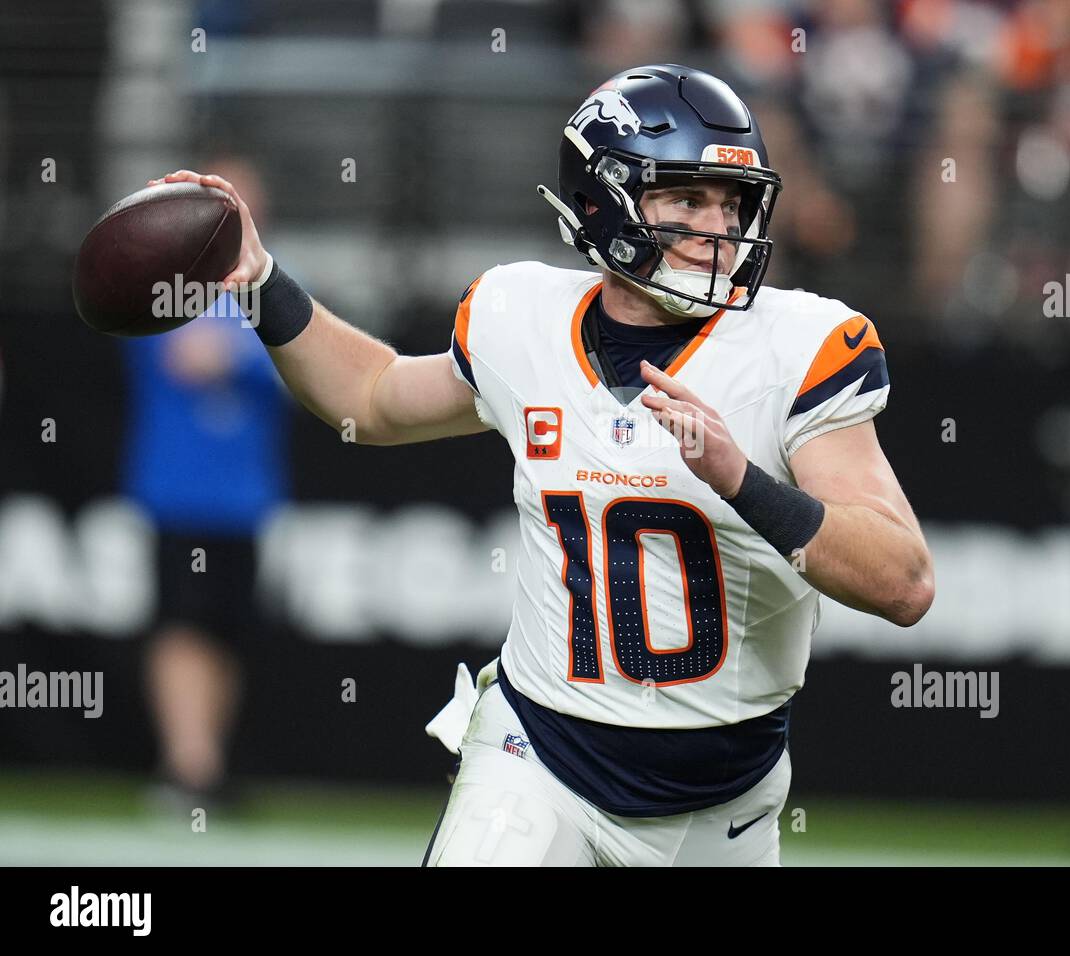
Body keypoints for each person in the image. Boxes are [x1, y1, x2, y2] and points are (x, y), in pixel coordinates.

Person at [149, 63, 934, 866]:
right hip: (541, 760)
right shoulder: (522, 316)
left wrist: (742, 481)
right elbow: (373, 398)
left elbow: (903, 583)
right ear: (603, 201)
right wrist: (262, 282)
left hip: (723, 803)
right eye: (688, 200)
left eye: (732, 204)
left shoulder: (797, 346)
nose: (719, 228)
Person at [122, 158, 287, 810]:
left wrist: (236, 354)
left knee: (224, 631)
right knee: (183, 625)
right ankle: (187, 767)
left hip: (243, 498)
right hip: (181, 492)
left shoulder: (269, 286)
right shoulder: (163, 280)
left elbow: (297, 367)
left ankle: (206, 767)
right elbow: (178, 353)